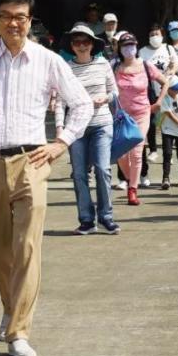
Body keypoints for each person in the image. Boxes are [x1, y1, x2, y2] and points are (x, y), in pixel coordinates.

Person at [0, 0, 91, 356]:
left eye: (21, 17)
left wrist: (60, 143)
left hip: (32, 162)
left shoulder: (48, 60)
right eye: (7, 16)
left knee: (27, 247)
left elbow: (82, 105)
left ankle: (19, 332)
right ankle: (10, 305)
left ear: (31, 20)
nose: (14, 23)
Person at [54, 24, 120, 236]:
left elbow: (115, 91)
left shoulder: (103, 64)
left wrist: (106, 98)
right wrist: (59, 128)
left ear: (93, 44)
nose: (81, 46)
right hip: (76, 129)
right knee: (80, 175)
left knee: (103, 169)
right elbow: (60, 102)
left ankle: (106, 217)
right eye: (77, 42)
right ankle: (86, 220)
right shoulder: (66, 68)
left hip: (102, 124)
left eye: (85, 42)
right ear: (71, 46)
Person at [114, 32, 169, 206]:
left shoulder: (146, 66)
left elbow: (165, 82)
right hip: (122, 116)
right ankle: (132, 179)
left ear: (136, 46)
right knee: (121, 154)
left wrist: (159, 102)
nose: (128, 49)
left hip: (142, 114)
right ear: (119, 49)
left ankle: (132, 190)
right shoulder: (114, 67)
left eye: (131, 45)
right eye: (125, 46)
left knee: (137, 151)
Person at [138, 24, 178, 183]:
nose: (155, 36)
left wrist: (170, 72)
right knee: (153, 121)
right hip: (150, 91)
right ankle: (153, 149)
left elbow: (175, 64)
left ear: (162, 35)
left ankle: (168, 152)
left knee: (168, 121)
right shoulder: (142, 52)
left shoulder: (168, 48)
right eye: (152, 34)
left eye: (157, 33)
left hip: (169, 90)